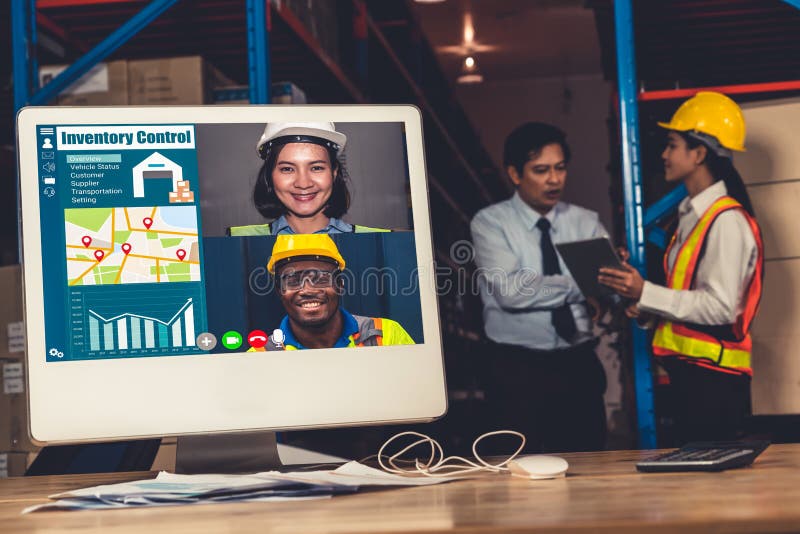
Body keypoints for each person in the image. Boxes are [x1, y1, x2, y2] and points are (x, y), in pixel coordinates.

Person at [598, 91, 763, 443]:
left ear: (699, 153)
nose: (664, 155)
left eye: (672, 145)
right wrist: (640, 302)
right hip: (692, 377)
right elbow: (685, 298)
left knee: (711, 491)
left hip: (715, 383)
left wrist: (645, 291)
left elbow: (720, 307)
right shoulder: (691, 218)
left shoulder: (727, 221)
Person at [470, 122, 609, 453]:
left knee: (590, 468)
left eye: (560, 168)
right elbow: (512, 291)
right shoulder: (490, 223)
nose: (554, 179)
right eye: (541, 170)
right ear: (515, 174)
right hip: (517, 373)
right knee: (518, 471)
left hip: (578, 367)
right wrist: (584, 283)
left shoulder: (584, 221)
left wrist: (607, 284)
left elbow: (607, 286)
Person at [253, 234, 415, 350]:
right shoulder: (260, 354)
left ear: (340, 284)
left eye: (321, 278)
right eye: (293, 280)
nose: (308, 290)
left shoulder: (386, 335)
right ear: (279, 291)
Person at [229, 122, 389, 235]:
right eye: (287, 169)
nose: (303, 183)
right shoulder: (238, 240)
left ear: (334, 173)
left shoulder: (379, 240)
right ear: (270, 176)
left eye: (316, 168)